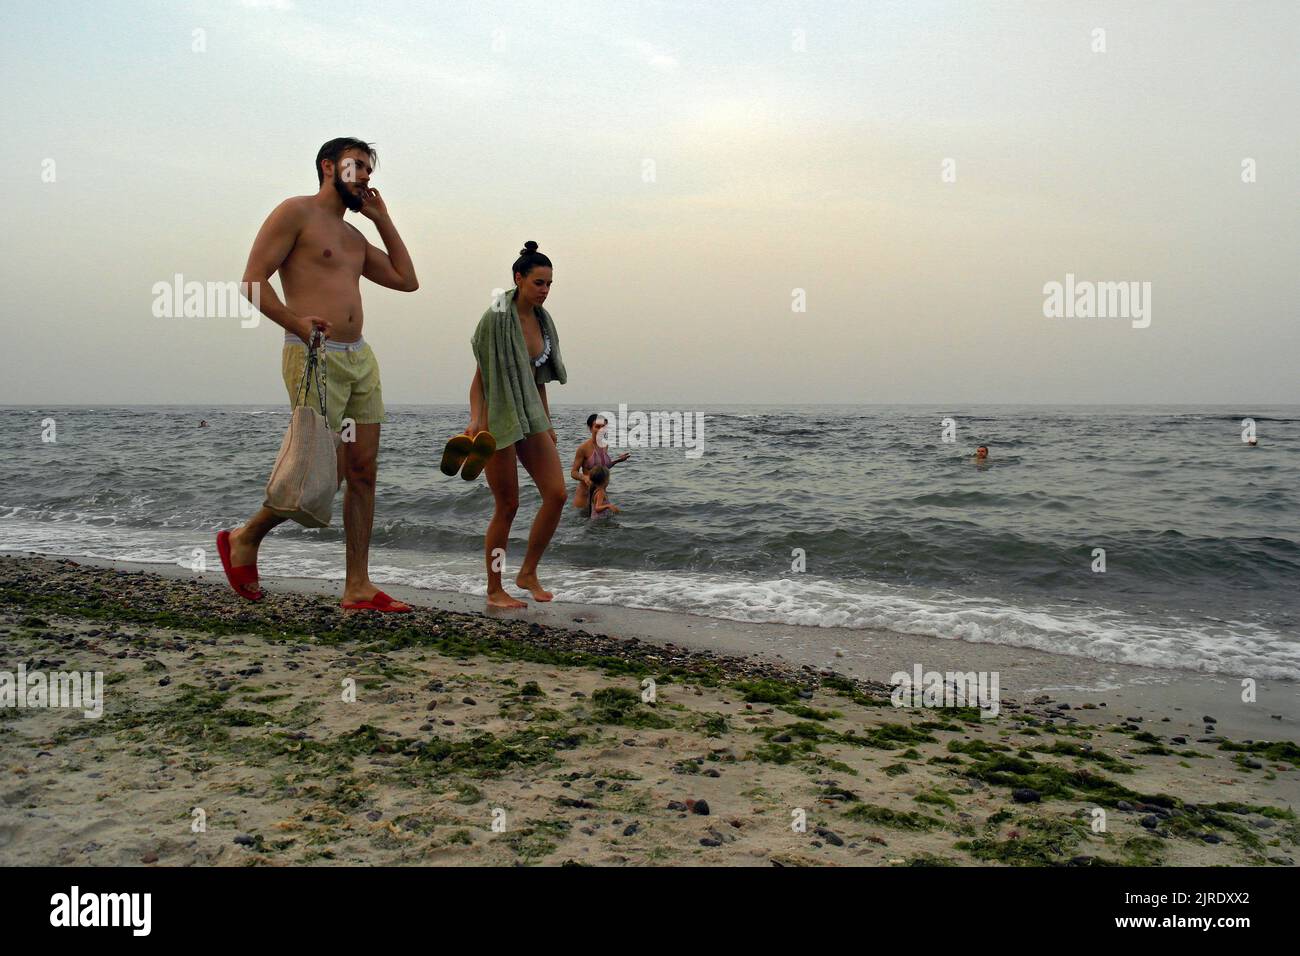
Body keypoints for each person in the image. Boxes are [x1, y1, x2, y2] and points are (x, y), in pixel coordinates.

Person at [216, 137, 419, 612]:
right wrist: (296, 322)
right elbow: (251, 280)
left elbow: (407, 280)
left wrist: (382, 219)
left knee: (363, 471)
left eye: (369, 169)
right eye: (357, 167)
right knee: (314, 469)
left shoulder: (354, 238)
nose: (366, 176)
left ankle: (357, 585)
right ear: (329, 166)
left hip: (359, 358)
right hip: (314, 354)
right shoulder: (296, 212)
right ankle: (245, 537)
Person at [465, 242, 568, 608]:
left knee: (557, 494)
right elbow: (482, 376)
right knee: (507, 505)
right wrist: (476, 420)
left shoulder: (543, 322)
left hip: (532, 414)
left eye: (549, 284)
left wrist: (548, 422)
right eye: (539, 282)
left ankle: (528, 572)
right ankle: (495, 589)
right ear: (518, 278)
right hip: (499, 416)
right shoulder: (497, 315)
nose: (544, 290)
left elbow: (537, 378)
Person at [571, 413, 630, 512]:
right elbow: (573, 472)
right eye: (597, 426)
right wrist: (584, 477)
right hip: (585, 494)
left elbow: (602, 467)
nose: (601, 430)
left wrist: (617, 461)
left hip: (600, 492)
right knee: (582, 524)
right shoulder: (583, 448)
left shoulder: (604, 445)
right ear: (590, 428)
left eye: (603, 427)